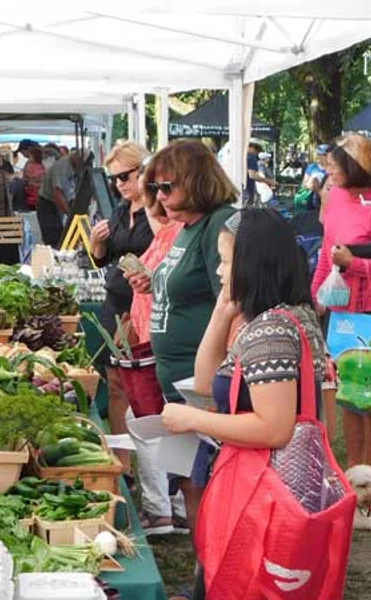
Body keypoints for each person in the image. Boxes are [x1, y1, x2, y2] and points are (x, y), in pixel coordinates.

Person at [161, 208, 328, 599]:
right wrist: (221, 314)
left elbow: (274, 427)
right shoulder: (278, 319)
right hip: (265, 486)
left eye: (225, 261)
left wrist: (192, 420)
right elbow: (205, 381)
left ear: (253, 263)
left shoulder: (272, 329)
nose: (219, 272)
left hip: (264, 489)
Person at [127, 139, 237, 534]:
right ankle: (201, 577)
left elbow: (230, 298)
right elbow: (186, 288)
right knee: (188, 481)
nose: (160, 196)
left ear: (196, 180)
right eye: (155, 189)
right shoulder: (187, 228)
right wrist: (152, 283)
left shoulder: (220, 224)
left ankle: (213, 580)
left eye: (167, 186)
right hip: (176, 382)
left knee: (205, 481)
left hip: (201, 384)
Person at [310, 134, 371, 471]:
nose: (328, 170)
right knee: (347, 399)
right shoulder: (336, 198)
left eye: (335, 165)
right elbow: (328, 251)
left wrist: (354, 263)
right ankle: (354, 472)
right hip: (341, 314)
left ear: (354, 166)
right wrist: (316, 293)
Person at [125, 161, 185, 536]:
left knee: (152, 421)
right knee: (158, 421)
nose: (155, 198)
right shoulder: (165, 232)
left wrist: (149, 284)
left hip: (166, 342)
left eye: (161, 190)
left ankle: (163, 506)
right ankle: (173, 505)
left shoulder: (182, 233)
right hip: (151, 336)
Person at [89, 141, 153, 482]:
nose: (120, 184)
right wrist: (97, 243)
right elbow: (103, 257)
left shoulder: (158, 212)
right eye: (114, 179)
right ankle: (122, 462)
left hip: (141, 307)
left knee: (138, 385)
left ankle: (154, 470)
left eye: (125, 176)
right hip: (115, 301)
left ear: (144, 171)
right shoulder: (119, 210)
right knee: (114, 382)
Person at [37, 152, 78, 247]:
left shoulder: (73, 166)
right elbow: (57, 194)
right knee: (53, 238)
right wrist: (69, 213)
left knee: (59, 234)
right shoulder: (62, 166)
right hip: (48, 204)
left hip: (56, 204)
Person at [22, 145, 46, 211]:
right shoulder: (44, 166)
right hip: (35, 197)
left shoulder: (30, 166)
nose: (28, 158)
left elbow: (26, 178)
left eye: (30, 156)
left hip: (34, 197)